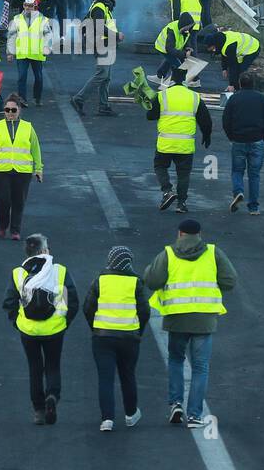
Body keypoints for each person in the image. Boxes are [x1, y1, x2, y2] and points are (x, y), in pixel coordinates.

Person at [143, 218, 237, 430]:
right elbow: (230, 280)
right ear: (199, 234)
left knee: (176, 360)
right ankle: (195, 414)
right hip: (204, 320)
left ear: (180, 234)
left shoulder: (167, 254)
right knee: (200, 367)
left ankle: (176, 404)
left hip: (177, 318)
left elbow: (151, 281)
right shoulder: (213, 252)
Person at [2, 233, 79, 426]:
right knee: (53, 366)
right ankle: (52, 395)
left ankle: (38, 411)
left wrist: (17, 323)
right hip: (54, 329)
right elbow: (74, 301)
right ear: (44, 250)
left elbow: (9, 302)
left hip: (28, 331)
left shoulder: (18, 273)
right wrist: (64, 322)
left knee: (34, 368)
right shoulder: (59, 271)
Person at [84, 245, 151, 432]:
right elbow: (144, 310)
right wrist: (139, 332)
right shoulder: (135, 282)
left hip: (102, 337)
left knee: (105, 378)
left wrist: (96, 328)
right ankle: (130, 414)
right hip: (129, 337)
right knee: (127, 375)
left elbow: (88, 308)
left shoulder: (100, 280)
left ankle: (107, 419)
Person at [147, 66, 213, 214]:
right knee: (183, 173)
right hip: (185, 144)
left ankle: (167, 191)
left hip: (165, 142)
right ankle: (181, 204)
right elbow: (206, 121)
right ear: (186, 80)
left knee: (160, 166)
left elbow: (150, 116)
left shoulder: (162, 95)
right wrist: (206, 136)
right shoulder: (194, 97)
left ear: (171, 79)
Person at [0, 93, 44, 240]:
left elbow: (36, 150)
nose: (10, 113)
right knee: (2, 200)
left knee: (19, 201)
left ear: (19, 110)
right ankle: (2, 226)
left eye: (13, 110)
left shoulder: (28, 128)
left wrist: (38, 169)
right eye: (7, 110)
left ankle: (15, 230)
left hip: (22, 171)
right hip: (1, 170)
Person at [221, 73, 264, 215]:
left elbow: (226, 120)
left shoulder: (234, 99)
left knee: (237, 170)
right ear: (253, 83)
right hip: (257, 139)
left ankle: (238, 191)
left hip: (238, 139)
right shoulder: (262, 99)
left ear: (240, 83)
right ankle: (254, 207)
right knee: (254, 174)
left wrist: (231, 136)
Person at [70, 0, 122, 116]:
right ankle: (78, 99)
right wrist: (116, 35)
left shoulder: (103, 6)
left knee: (106, 77)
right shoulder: (99, 7)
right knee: (102, 74)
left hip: (106, 44)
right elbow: (99, 27)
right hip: (101, 44)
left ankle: (104, 106)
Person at [8, 0, 52, 106]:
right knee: (21, 77)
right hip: (22, 53)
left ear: (35, 6)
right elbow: (11, 36)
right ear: (23, 5)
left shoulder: (42, 20)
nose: (28, 8)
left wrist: (47, 47)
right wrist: (10, 52)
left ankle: (37, 98)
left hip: (36, 53)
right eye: (26, 5)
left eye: (30, 6)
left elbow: (48, 35)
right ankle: (22, 99)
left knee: (39, 78)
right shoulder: (17, 19)